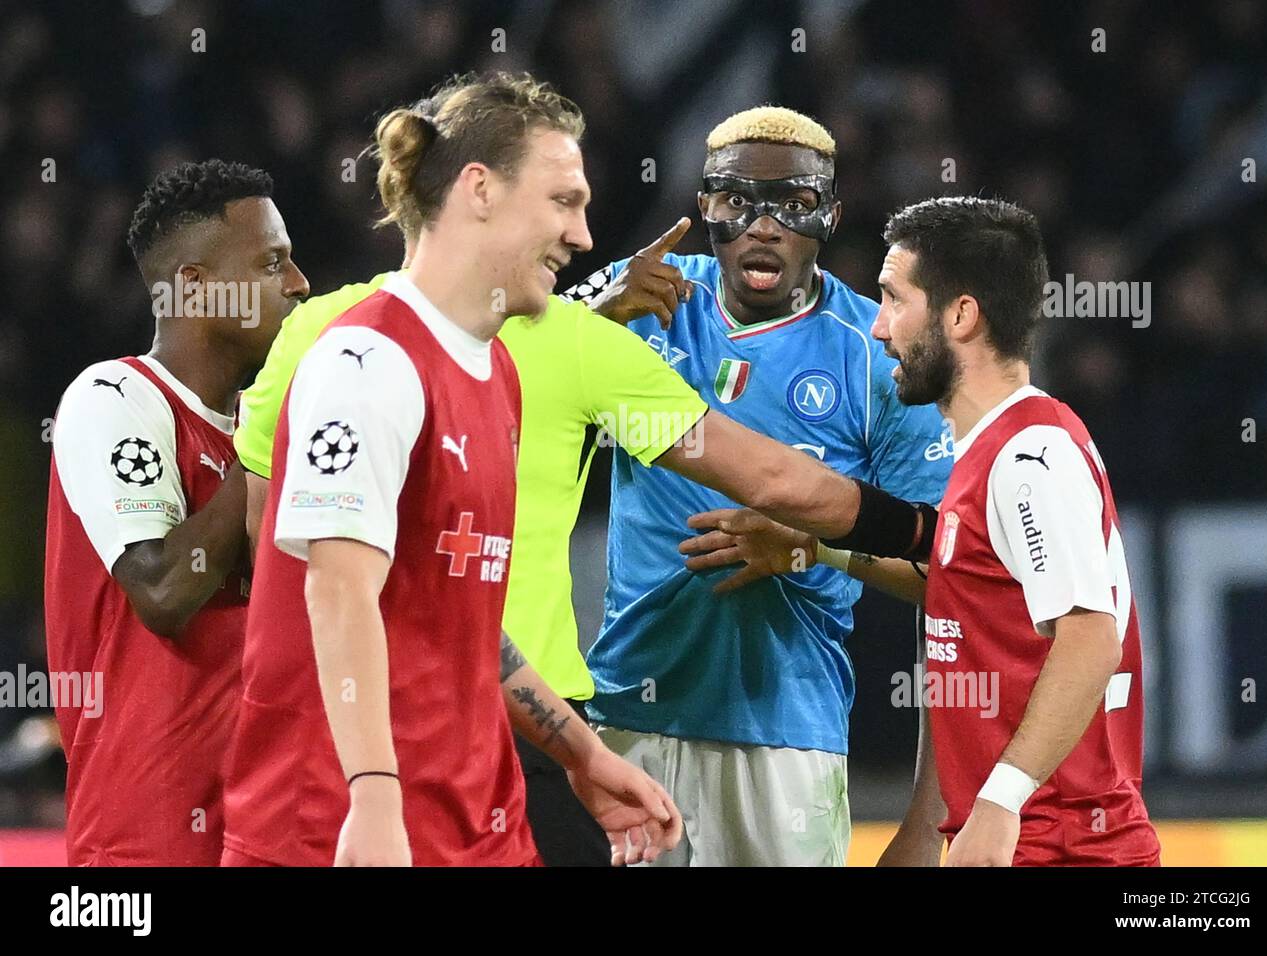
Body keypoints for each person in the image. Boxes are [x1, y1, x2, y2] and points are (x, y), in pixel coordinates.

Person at [220, 72, 692, 867]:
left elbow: (465, 625)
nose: (583, 236)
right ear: (479, 189)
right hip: (341, 827)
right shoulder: (364, 362)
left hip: (474, 819)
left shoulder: (495, 371)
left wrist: (584, 757)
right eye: (563, 201)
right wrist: (372, 797)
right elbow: (336, 594)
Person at [683, 196, 1162, 866]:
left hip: (1060, 844)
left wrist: (1000, 802)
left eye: (894, 300)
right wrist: (815, 550)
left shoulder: (1029, 459)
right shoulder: (997, 451)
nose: (879, 329)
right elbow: (967, 586)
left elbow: (1089, 641)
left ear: (960, 315)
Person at [565, 107, 953, 866]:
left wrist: (816, 548)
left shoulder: (877, 356)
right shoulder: (643, 298)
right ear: (705, 204)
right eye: (737, 199)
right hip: (624, 716)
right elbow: (491, 371)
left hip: (785, 738)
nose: (764, 224)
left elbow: (950, 574)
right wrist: (591, 313)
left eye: (794, 204)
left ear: (830, 217)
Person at [44, 159, 309, 864]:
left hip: (268, 827)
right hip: (145, 838)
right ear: (194, 287)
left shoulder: (272, 434)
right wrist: (261, 443)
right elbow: (162, 590)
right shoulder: (114, 397)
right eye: (272, 263)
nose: (299, 285)